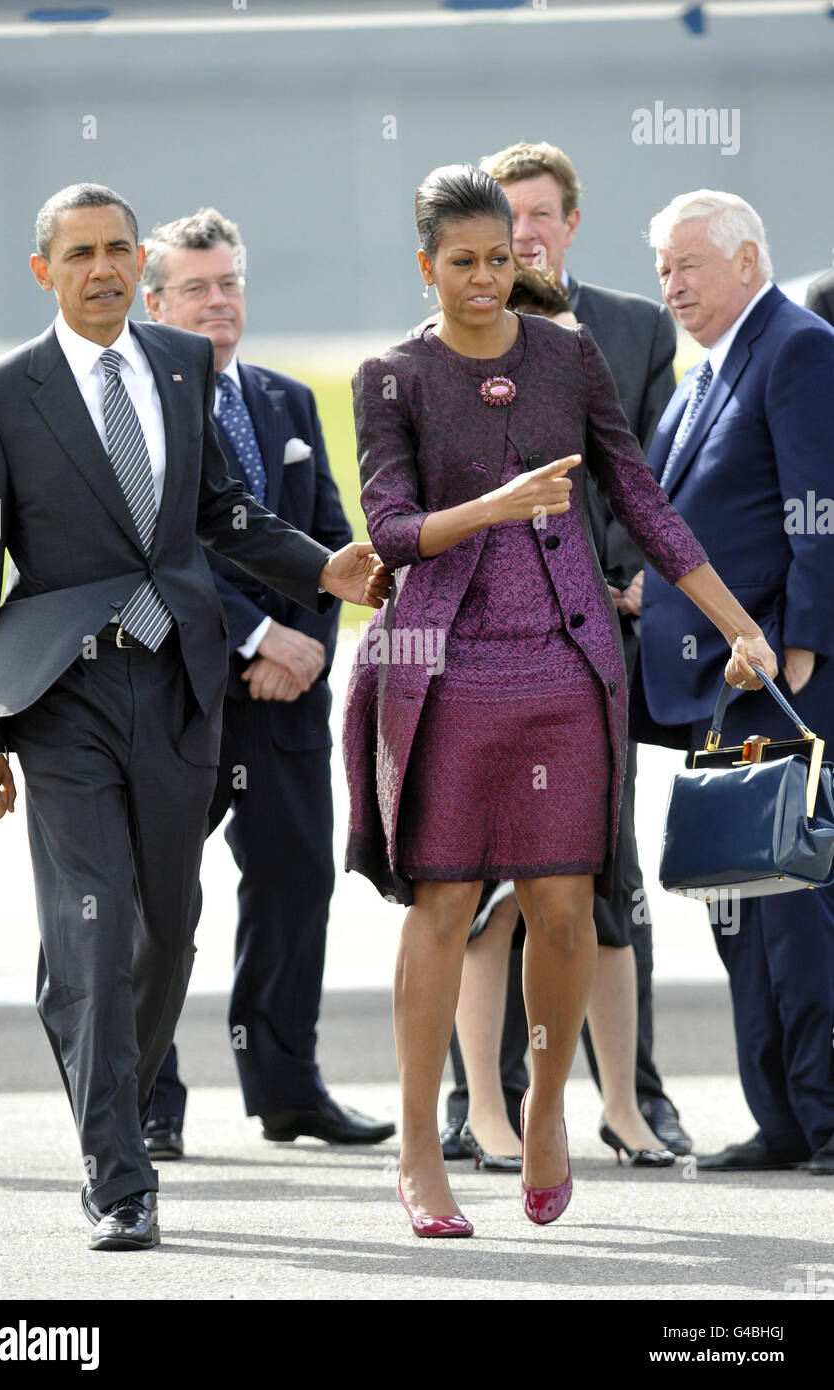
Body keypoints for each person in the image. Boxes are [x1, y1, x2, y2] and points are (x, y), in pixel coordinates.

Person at [0, 183, 389, 1252]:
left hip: (181, 685)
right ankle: (119, 1169)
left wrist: (322, 565)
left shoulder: (182, 366)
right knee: (95, 933)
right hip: (61, 695)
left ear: (137, 260)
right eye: (79, 253)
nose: (101, 268)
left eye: (116, 249)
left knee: (165, 933)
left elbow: (220, 513)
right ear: (43, 269)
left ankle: (98, 1071)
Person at [343, 164, 777, 1236]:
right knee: (444, 905)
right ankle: (417, 1149)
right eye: (463, 262)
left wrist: (736, 622)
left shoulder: (570, 357)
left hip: (566, 662)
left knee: (567, 905)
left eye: (502, 257)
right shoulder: (390, 374)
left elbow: (640, 497)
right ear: (425, 266)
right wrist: (493, 504)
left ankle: (546, 1109)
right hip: (446, 669)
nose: (487, 277)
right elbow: (391, 528)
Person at [442, 139, 690, 1167]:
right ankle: (481, 1102)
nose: (524, 232)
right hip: (486, 641)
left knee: (598, 875)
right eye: (506, 217)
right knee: (478, 880)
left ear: (570, 223)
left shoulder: (631, 328)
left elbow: (656, 468)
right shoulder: (452, 336)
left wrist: (640, 572)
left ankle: (631, 1097)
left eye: (540, 215)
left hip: (599, 643)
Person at [140, 208, 394, 1151]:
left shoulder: (283, 402)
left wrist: (307, 641)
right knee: (153, 899)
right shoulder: (139, 405)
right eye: (197, 287)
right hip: (179, 692)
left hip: (288, 700)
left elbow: (328, 536)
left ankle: (288, 1089)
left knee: (294, 883)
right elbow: (153, 549)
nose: (218, 301)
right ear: (155, 301)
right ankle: (146, 1105)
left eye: (230, 282)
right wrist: (253, 638)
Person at [632, 189, 834, 1176]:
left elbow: (819, 503)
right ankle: (782, 1116)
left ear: (747, 260)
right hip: (720, 682)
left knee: (799, 905)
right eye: (661, 266)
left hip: (779, 679)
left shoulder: (794, 347)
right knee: (742, 903)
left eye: (688, 264)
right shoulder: (706, 369)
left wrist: (798, 636)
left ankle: (827, 1115)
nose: (670, 283)